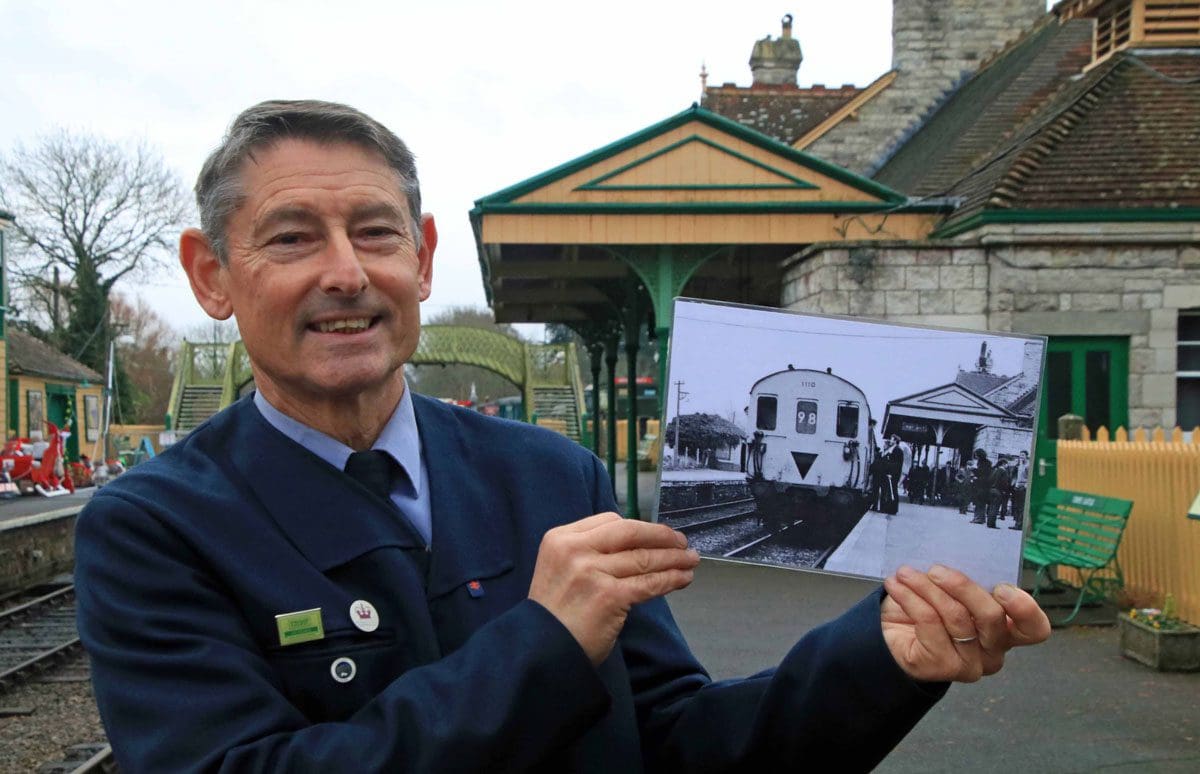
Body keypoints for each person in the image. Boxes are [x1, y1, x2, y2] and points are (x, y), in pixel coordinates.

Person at [74, 100, 1050, 773]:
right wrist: (542, 643)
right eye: (291, 238)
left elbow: (679, 746)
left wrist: (878, 657)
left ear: (421, 260)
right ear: (210, 274)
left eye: (376, 233)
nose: (345, 273)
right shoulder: (153, 528)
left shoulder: (554, 475)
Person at [969, 448, 993, 525]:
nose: (975, 456)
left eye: (976, 455)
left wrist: (974, 470)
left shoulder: (986, 463)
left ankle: (978, 518)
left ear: (980, 455)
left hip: (983, 486)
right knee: (979, 502)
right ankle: (980, 518)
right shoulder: (982, 462)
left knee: (980, 502)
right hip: (980, 485)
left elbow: (984, 474)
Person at [1009, 450, 1030, 531]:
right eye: (1020, 455)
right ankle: (1017, 523)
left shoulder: (1028, 465)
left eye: (1023, 455)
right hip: (1017, 487)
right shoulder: (1019, 465)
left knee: (1021, 507)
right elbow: (1015, 476)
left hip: (1023, 487)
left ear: (1026, 456)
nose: (1021, 457)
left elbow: (1029, 477)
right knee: (1017, 506)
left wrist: (1025, 486)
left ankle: (1019, 525)